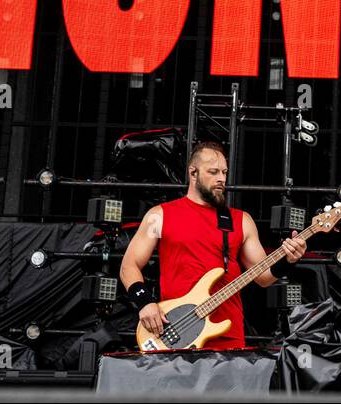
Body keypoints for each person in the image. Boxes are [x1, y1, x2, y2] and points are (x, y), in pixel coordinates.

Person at [119, 140, 306, 349]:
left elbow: (263, 277)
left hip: (228, 336)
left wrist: (288, 261)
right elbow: (129, 265)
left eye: (224, 172)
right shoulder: (160, 216)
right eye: (213, 172)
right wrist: (145, 302)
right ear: (193, 173)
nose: (221, 179)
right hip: (176, 332)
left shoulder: (241, 220)